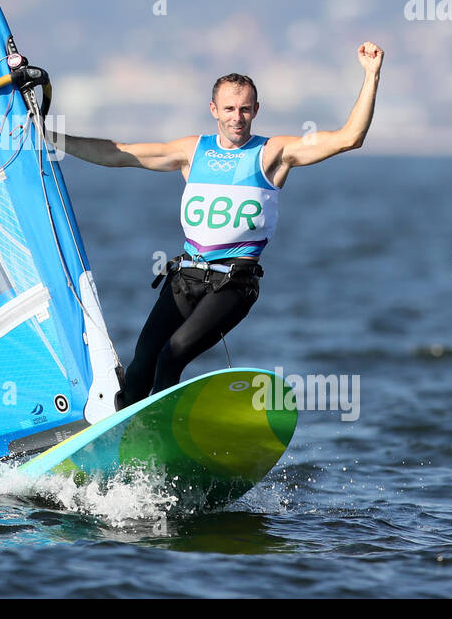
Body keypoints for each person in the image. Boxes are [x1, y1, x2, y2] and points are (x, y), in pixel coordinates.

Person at [48, 41, 383, 407]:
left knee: (172, 355)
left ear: (256, 110)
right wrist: (50, 139)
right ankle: (116, 438)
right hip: (184, 278)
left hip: (233, 285)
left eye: (244, 109)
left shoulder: (273, 153)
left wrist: (371, 74)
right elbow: (117, 153)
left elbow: (350, 138)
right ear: (213, 110)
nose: (236, 117)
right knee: (142, 362)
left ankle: (159, 441)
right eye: (228, 109)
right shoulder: (192, 151)